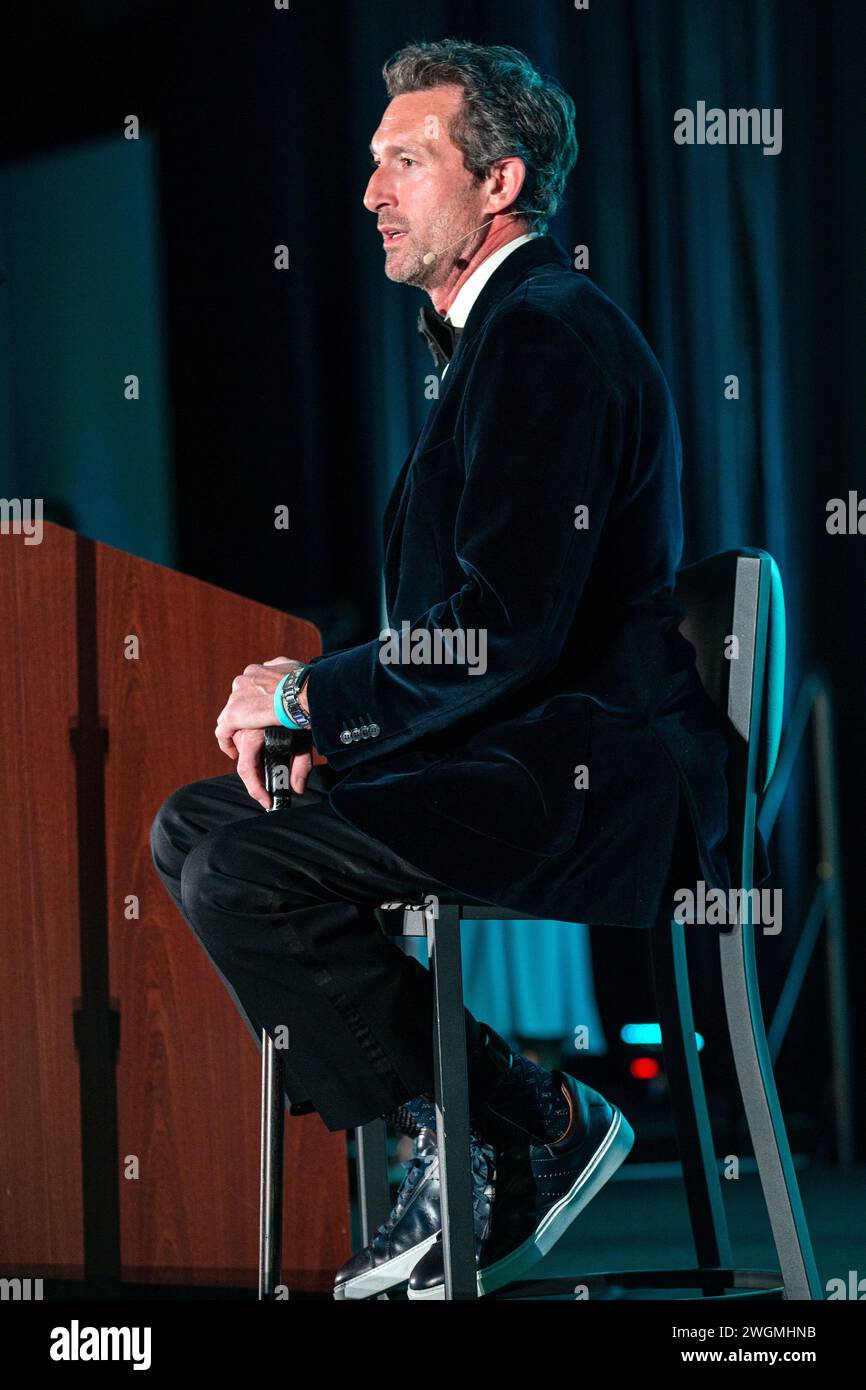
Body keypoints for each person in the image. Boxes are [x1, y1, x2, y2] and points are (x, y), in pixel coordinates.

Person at [151, 37, 750, 1301]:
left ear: (497, 183)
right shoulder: (490, 341)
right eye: (371, 164)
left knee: (241, 863)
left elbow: (499, 627)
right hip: (509, 760)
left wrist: (311, 695)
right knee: (195, 824)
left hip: (581, 777)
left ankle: (485, 1132)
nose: (369, 191)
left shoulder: (546, 334)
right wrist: (336, 731)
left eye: (403, 162)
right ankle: (517, 1114)